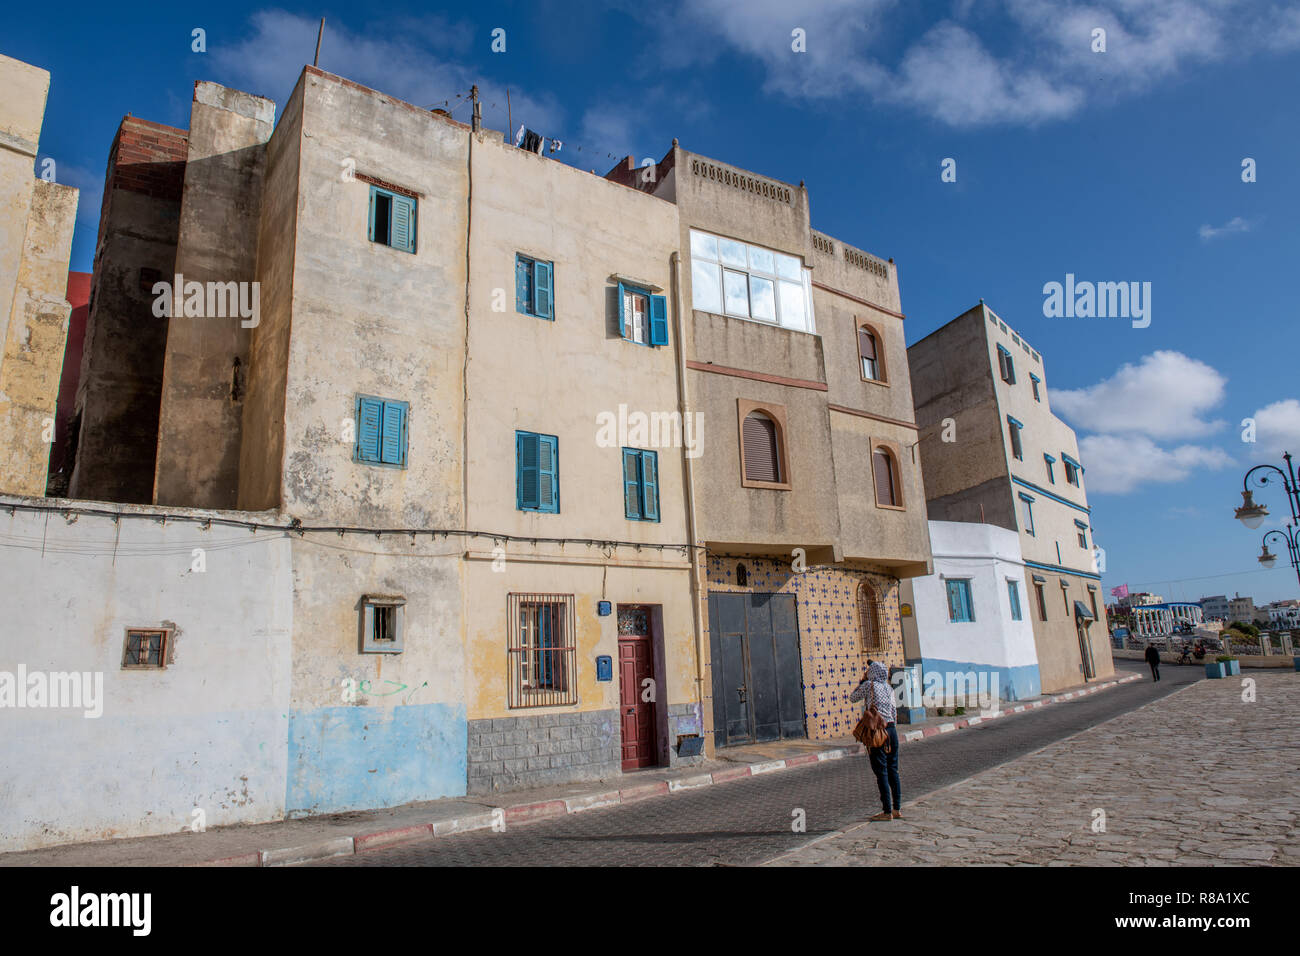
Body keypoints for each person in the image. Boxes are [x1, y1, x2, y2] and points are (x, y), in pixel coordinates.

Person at [850, 660, 901, 821]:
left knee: (882, 772)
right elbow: (894, 712)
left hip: (878, 732)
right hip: (892, 730)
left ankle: (886, 811)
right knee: (893, 770)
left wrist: (863, 680)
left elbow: (853, 698)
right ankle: (896, 809)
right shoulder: (889, 688)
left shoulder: (869, 685)